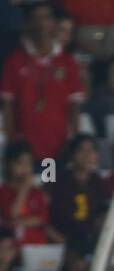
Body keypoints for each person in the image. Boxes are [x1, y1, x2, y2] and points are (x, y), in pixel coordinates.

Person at [0, 2, 84, 164]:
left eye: (46, 17)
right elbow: (8, 105)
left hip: (56, 149)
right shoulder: (14, 62)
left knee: (49, 185)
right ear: (27, 24)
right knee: (28, 189)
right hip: (23, 149)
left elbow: (75, 107)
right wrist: (12, 142)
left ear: (54, 23)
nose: (41, 23)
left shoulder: (67, 62)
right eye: (35, 18)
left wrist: (73, 142)